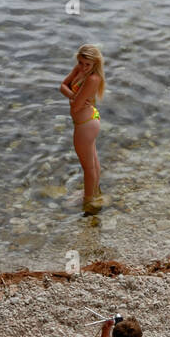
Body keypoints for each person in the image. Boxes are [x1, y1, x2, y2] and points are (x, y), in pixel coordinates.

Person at [60, 43, 105, 213]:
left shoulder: (93, 79)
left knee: (88, 167)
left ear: (95, 64)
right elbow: (62, 86)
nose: (84, 67)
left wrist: (73, 99)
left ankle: (88, 202)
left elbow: (77, 106)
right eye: (81, 62)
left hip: (85, 125)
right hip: (88, 120)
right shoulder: (78, 69)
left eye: (88, 64)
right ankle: (94, 192)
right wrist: (73, 95)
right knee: (92, 161)